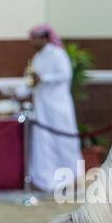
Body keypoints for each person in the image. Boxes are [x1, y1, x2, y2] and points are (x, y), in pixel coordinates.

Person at [17, 24, 81, 192]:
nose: (32, 42)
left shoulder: (57, 54)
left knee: (64, 142)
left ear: (44, 38)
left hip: (58, 107)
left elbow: (65, 75)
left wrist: (43, 78)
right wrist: (17, 92)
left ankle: (71, 178)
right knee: (44, 143)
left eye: (34, 38)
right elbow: (31, 81)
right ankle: (47, 181)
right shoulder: (37, 57)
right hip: (42, 109)